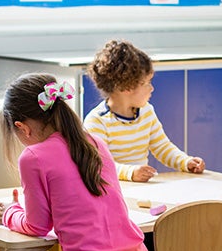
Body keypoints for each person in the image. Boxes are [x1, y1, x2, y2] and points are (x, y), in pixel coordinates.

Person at [0, 74, 148, 251]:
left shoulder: (33, 157)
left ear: (22, 128)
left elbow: (37, 226)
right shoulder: (95, 143)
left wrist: (9, 213)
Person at [84, 39, 205, 182]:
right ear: (127, 87)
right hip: (113, 193)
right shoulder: (97, 121)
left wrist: (185, 162)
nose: (151, 88)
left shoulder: (146, 111)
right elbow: (99, 165)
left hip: (140, 190)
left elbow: (162, 147)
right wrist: (130, 173)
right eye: (146, 83)